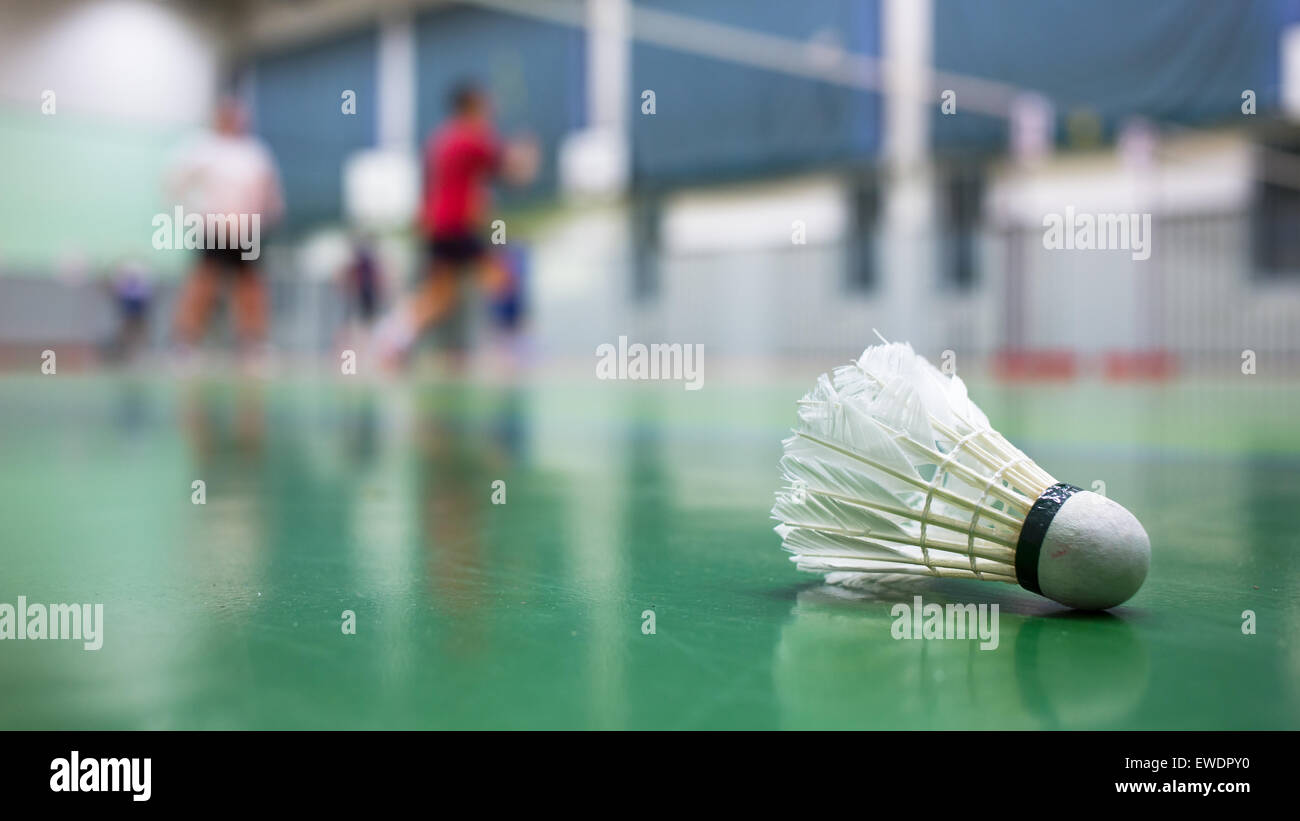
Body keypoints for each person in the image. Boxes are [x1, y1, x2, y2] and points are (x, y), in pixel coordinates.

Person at [375, 82, 537, 365]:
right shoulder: (473, 137)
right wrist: (528, 150)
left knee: (440, 296)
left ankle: (391, 338)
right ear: (472, 105)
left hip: (437, 226)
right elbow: (512, 172)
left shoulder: (440, 139)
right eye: (486, 103)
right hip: (456, 226)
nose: (491, 108)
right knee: (502, 278)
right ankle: (512, 348)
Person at [168, 96, 284, 365]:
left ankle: (253, 344)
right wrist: (194, 213)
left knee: (250, 286)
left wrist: (268, 216)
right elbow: (176, 183)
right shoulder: (202, 148)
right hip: (215, 227)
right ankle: (185, 342)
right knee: (204, 282)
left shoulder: (255, 152)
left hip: (248, 229)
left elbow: (269, 190)